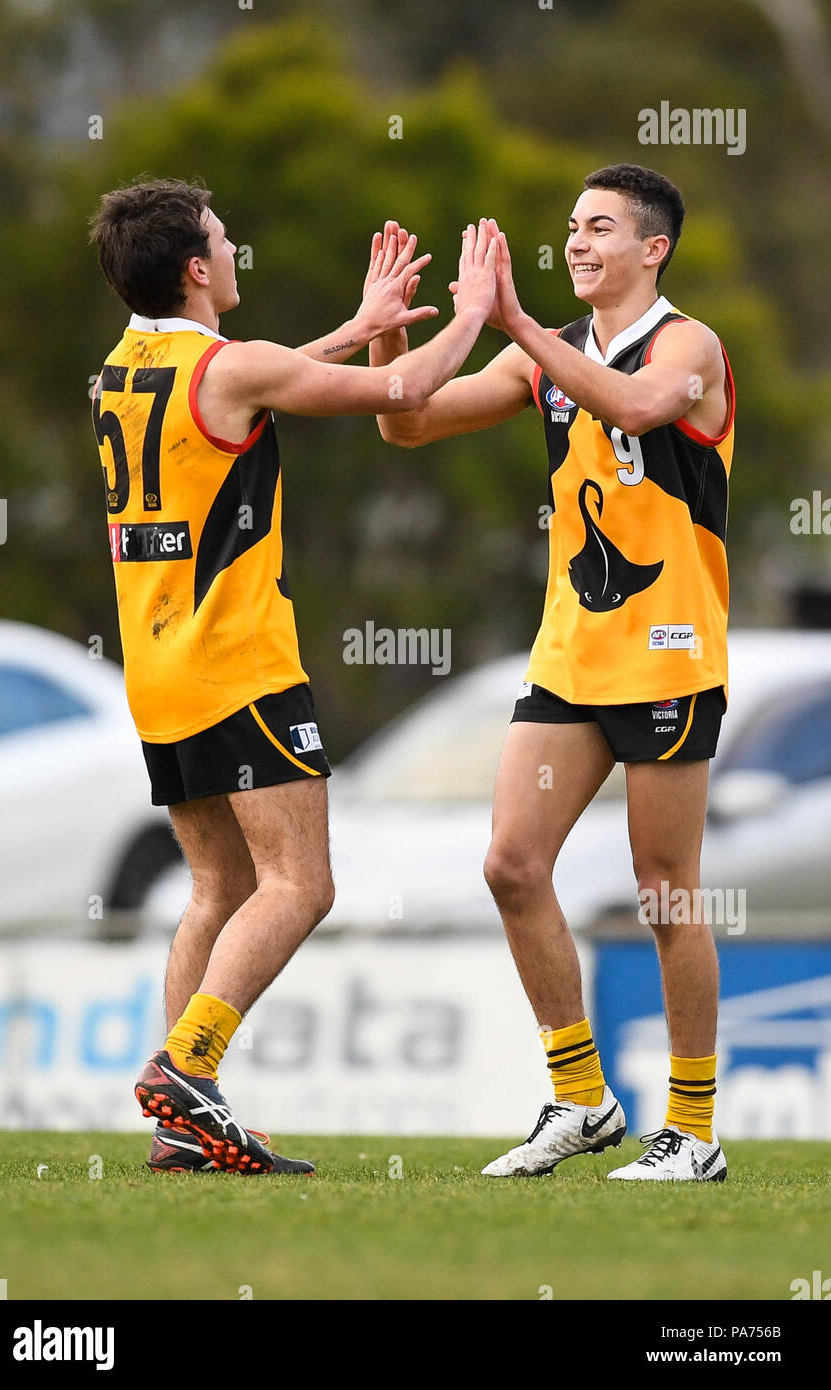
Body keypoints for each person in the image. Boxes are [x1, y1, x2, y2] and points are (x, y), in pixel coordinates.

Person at [88, 178, 497, 1174]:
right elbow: (403, 395)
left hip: (159, 673)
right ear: (195, 267)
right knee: (300, 884)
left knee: (216, 886)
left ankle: (176, 1123)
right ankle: (188, 1066)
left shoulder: (120, 367)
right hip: (241, 668)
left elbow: (257, 381)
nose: (234, 252)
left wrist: (358, 325)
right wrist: (479, 314)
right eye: (223, 240)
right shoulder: (232, 367)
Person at [373, 165, 734, 1182]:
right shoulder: (551, 356)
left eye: (601, 228)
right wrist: (393, 326)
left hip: (667, 651)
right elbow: (406, 423)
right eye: (571, 226)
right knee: (509, 864)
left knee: (664, 892)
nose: (576, 242)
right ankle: (581, 1100)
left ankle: (693, 1129)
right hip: (571, 658)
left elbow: (639, 402)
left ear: (652, 248)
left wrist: (518, 325)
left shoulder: (686, 344)